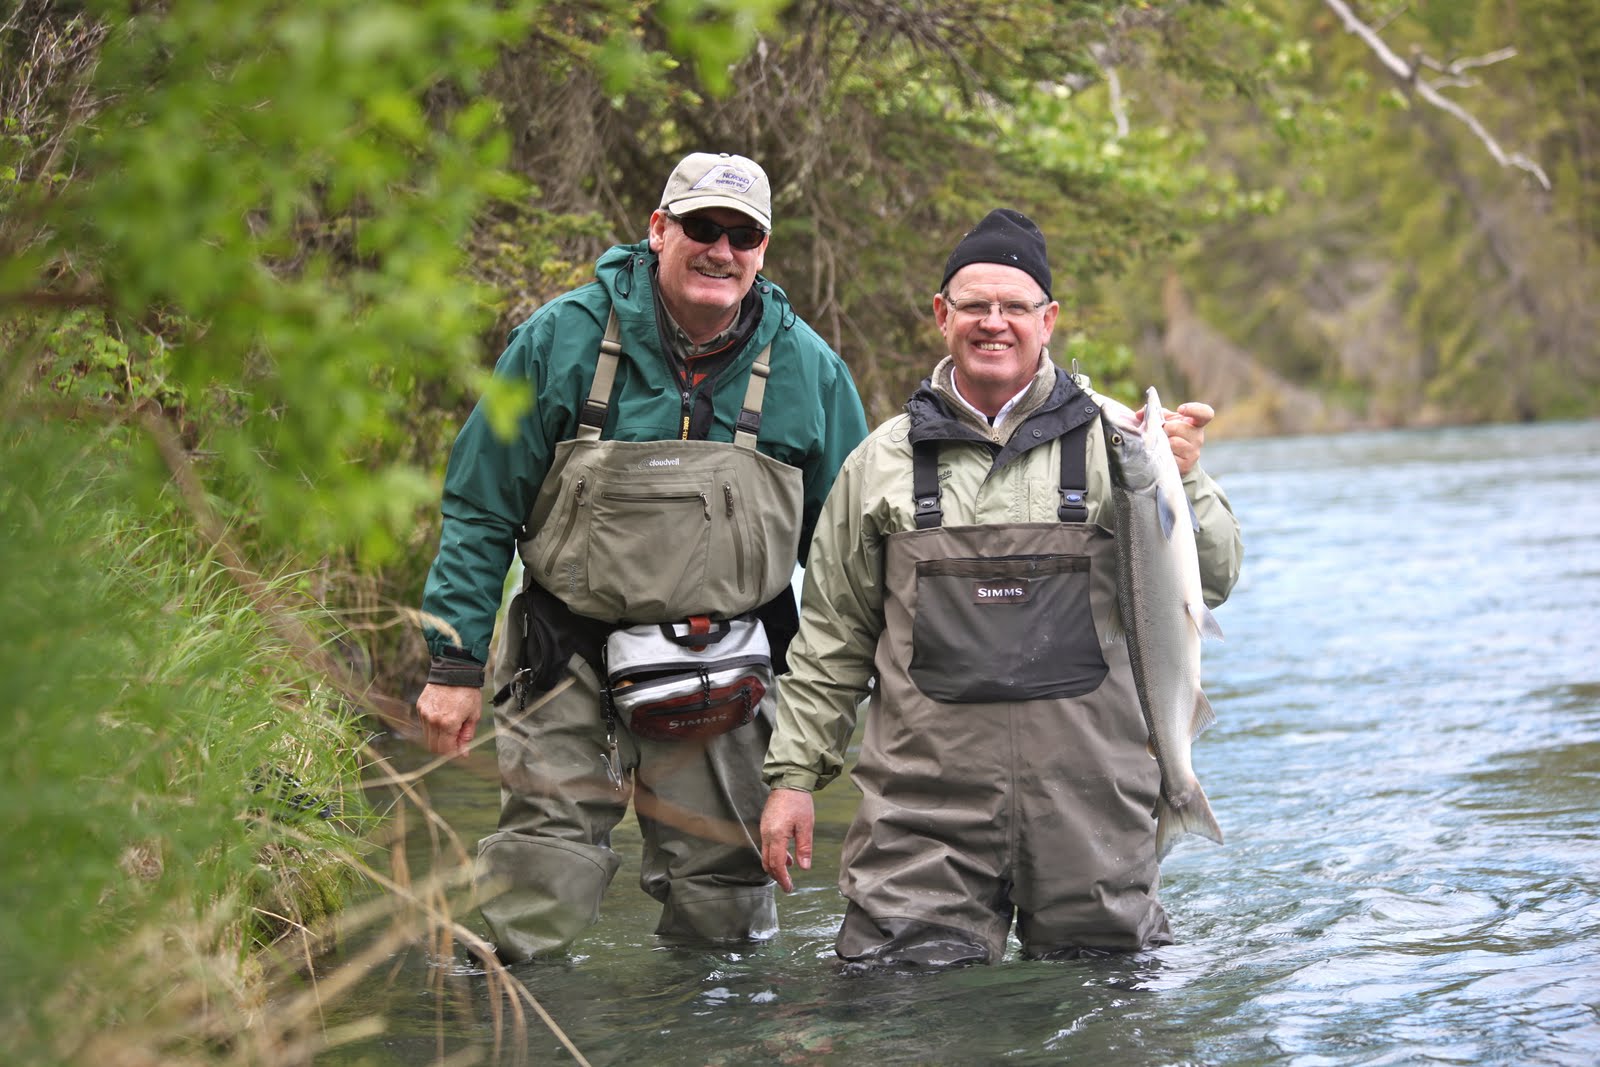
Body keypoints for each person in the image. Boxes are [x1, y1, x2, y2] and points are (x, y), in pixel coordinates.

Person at [758, 208, 1243, 966]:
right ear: (941, 316)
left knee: (1105, 1018)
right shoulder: (877, 463)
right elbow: (831, 641)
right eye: (975, 305)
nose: (995, 323)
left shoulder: (1123, 443)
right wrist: (792, 779)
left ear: (1048, 320)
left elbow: (1212, 576)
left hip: (1093, 811)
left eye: (1015, 307)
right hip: (922, 820)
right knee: (897, 1012)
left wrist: (1187, 478)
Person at [416, 151, 869, 962]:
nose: (721, 250)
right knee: (536, 884)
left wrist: (866, 698)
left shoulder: (811, 370)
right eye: (702, 227)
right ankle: (517, 1024)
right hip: (565, 653)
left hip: (728, 667)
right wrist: (452, 667)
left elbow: (848, 564)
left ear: (763, 251)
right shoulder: (562, 337)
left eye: (743, 235)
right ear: (659, 229)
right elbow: (482, 504)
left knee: (724, 911)